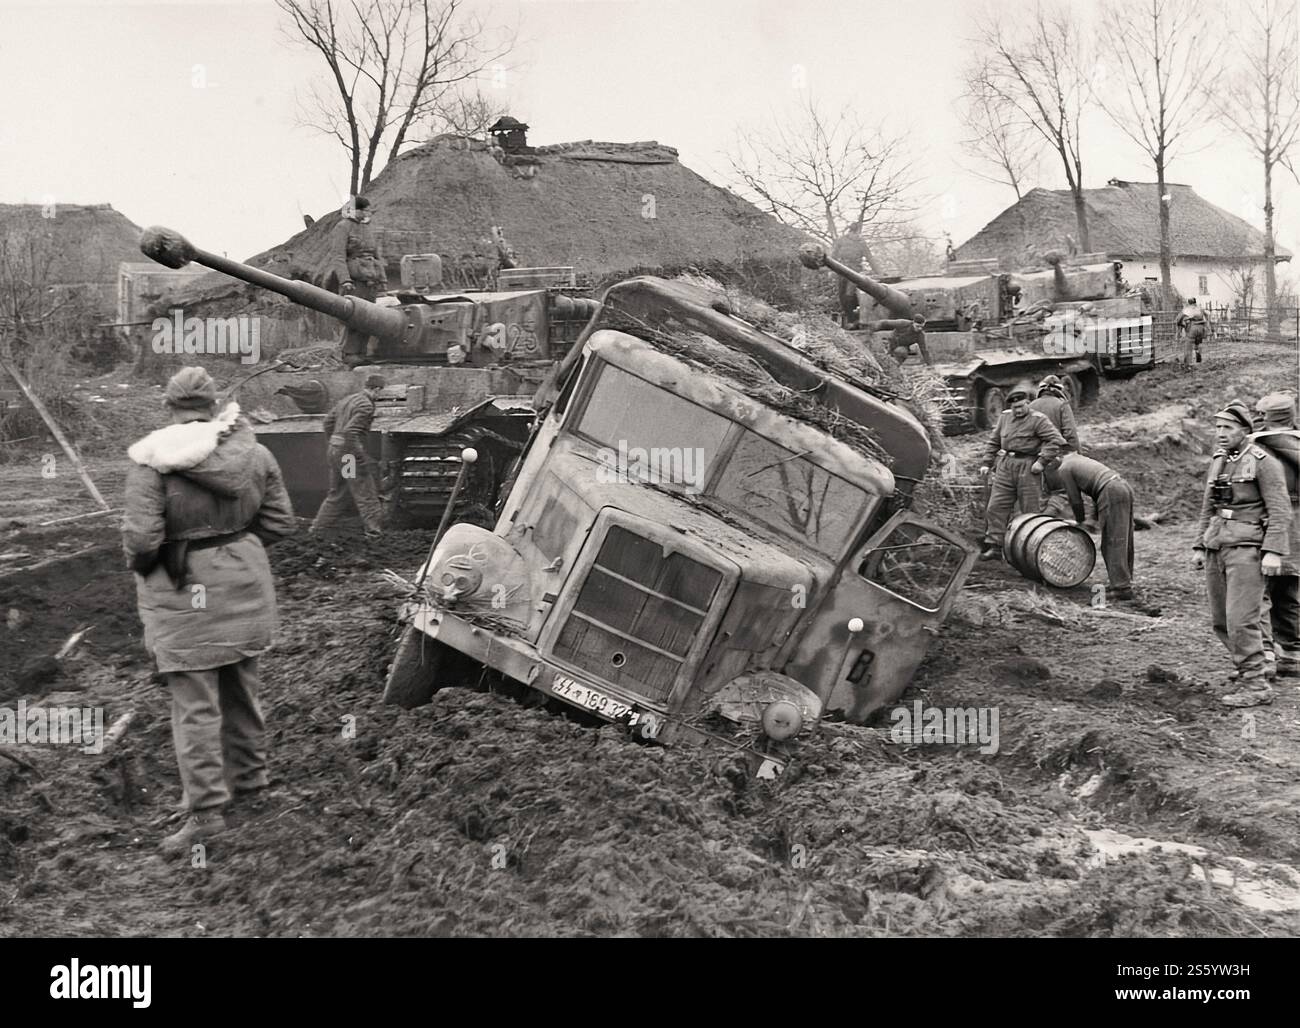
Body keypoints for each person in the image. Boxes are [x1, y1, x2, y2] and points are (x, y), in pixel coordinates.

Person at [123, 367, 295, 854]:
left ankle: (206, 814)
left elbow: (140, 540)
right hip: (245, 582)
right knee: (243, 689)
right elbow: (281, 522)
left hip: (182, 592)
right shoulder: (254, 452)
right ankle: (252, 786)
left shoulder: (151, 461)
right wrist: (233, 551)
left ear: (169, 406)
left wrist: (164, 565)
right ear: (214, 403)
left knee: (195, 706)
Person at [1193, 400, 1293, 707]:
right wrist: (1199, 545)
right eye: (1219, 427)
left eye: (1229, 428)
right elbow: (1208, 506)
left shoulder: (1263, 461)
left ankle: (1256, 683)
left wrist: (1273, 551)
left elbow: (1280, 510)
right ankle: (1246, 669)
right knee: (1221, 619)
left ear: (1245, 430)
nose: (1221, 433)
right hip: (1216, 546)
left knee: (1241, 619)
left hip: (1247, 550)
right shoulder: (1219, 460)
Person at [1042, 453, 1158, 614]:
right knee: (1123, 539)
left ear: (1050, 467)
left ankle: (1121, 587)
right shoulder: (1072, 459)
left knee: (1112, 542)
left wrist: (1081, 521)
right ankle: (1122, 581)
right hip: (1122, 486)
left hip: (1111, 491)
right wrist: (1091, 519)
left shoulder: (1064, 469)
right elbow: (1097, 485)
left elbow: (1075, 499)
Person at [978, 387, 1067, 560]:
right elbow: (994, 442)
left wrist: (1041, 462)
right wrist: (986, 463)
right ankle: (995, 546)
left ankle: (1031, 550)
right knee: (995, 506)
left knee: (1030, 510)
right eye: (1015, 407)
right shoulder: (1004, 418)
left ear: (1027, 403)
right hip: (1005, 466)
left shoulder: (1038, 420)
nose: (1018, 410)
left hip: (1028, 466)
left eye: (1021, 406)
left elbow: (1055, 441)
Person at [1252, 392, 1300, 678]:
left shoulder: (1260, 450)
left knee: (1258, 592)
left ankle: (1265, 655)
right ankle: (1292, 655)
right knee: (1289, 591)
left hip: (1271, 523)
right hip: (1297, 529)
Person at [310, 375, 387, 538]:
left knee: (338, 493)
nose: (379, 396)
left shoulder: (347, 399)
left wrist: (334, 442)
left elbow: (327, 423)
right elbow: (351, 432)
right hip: (348, 455)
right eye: (380, 391)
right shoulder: (366, 405)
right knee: (365, 491)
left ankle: (317, 530)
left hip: (334, 449)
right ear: (376, 389)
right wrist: (358, 457)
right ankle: (374, 534)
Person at [329, 196, 386, 366]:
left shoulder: (367, 229)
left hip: (371, 278)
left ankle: (361, 353)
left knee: (369, 318)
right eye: (366, 210)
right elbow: (338, 256)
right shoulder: (342, 227)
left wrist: (382, 279)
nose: (369, 213)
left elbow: (377, 256)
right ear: (357, 210)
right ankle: (349, 354)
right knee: (354, 317)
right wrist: (345, 280)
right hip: (354, 280)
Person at [831, 223, 869, 328]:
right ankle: (850, 319)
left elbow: (869, 258)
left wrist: (880, 272)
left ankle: (853, 320)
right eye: (855, 233)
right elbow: (833, 256)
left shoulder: (861, 243)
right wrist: (830, 268)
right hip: (841, 269)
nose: (856, 235)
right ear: (852, 231)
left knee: (849, 296)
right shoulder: (841, 240)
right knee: (842, 296)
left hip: (854, 271)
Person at [1030, 375, 1080, 452]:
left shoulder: (1031, 406)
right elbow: (1070, 432)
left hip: (1036, 454)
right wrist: (1076, 453)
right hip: (1056, 452)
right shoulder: (1062, 405)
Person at [1176, 298, 1208, 370]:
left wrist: (1180, 325)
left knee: (1188, 345)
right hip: (1201, 327)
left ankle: (1188, 364)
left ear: (1188, 303)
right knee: (1198, 342)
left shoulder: (1186, 309)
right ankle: (1198, 353)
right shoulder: (1200, 308)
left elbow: (1178, 319)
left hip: (1192, 327)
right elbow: (1206, 315)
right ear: (1195, 302)